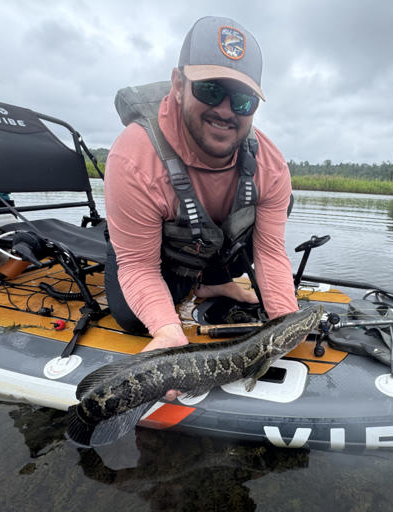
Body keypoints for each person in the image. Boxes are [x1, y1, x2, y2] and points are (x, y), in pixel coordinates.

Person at [103, 15, 299, 390]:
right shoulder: (133, 158)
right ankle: (195, 284)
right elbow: (139, 266)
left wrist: (287, 322)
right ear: (178, 85)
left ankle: (214, 282)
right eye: (210, 90)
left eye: (242, 100)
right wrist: (167, 330)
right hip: (151, 252)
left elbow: (271, 254)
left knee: (277, 206)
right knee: (131, 316)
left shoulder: (271, 167)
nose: (225, 110)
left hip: (207, 244)